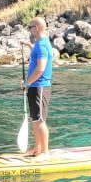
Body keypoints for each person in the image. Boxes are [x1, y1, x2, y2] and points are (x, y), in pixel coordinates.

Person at [21, 16, 53, 157]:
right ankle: (37, 148)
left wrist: (27, 82)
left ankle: (45, 152)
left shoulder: (43, 45)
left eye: (31, 27)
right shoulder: (40, 44)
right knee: (35, 119)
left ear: (38, 27)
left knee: (40, 120)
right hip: (35, 87)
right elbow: (38, 53)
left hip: (40, 87)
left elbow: (40, 68)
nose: (30, 30)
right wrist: (29, 45)